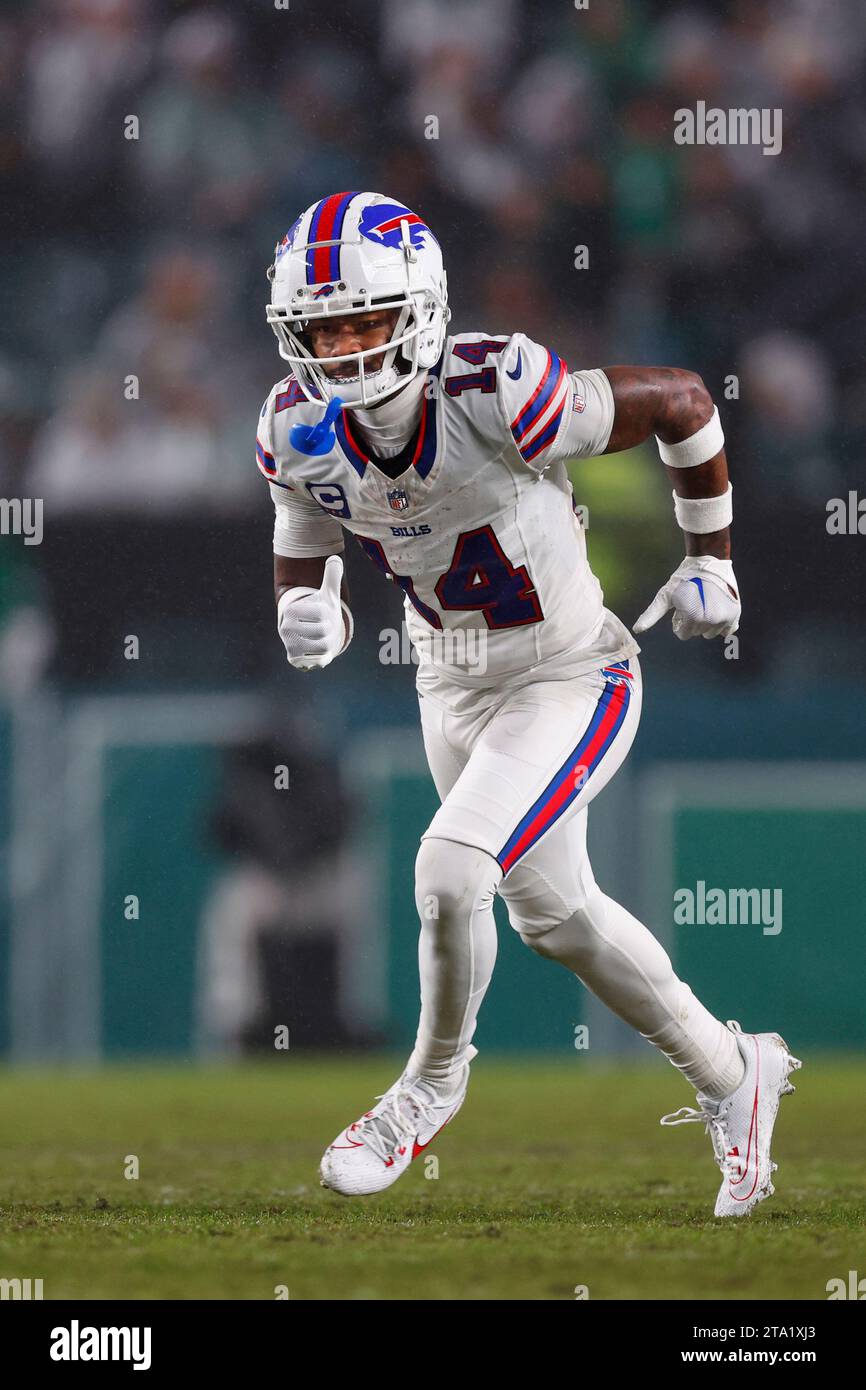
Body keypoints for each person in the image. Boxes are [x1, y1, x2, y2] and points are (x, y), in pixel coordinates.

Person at [256, 191, 801, 1215]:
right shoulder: (294, 426)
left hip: (568, 673)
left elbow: (684, 401)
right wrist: (304, 597)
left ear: (419, 309)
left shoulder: (495, 386)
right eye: (325, 327)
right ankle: (736, 1075)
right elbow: (303, 512)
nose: (345, 346)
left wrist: (711, 563)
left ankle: (424, 1088)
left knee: (448, 869)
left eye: (366, 320)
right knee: (558, 918)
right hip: (446, 684)